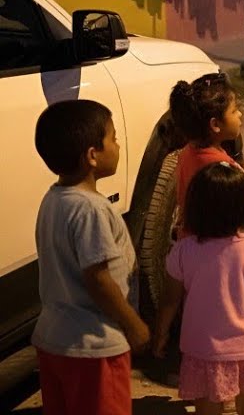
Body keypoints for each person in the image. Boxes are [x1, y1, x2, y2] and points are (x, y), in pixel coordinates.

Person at [32, 100, 148, 415]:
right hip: (95, 346)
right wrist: (133, 324)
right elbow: (97, 278)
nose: (118, 145)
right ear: (92, 155)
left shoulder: (52, 199)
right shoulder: (91, 209)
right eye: (112, 138)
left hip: (54, 339)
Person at [154, 163, 244, 415]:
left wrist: (160, 333)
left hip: (202, 349)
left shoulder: (183, 251)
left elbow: (170, 300)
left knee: (208, 407)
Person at [169, 75, 244, 239]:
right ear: (215, 125)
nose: (240, 114)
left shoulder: (187, 153)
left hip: (191, 242)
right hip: (219, 249)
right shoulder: (220, 166)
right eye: (234, 110)